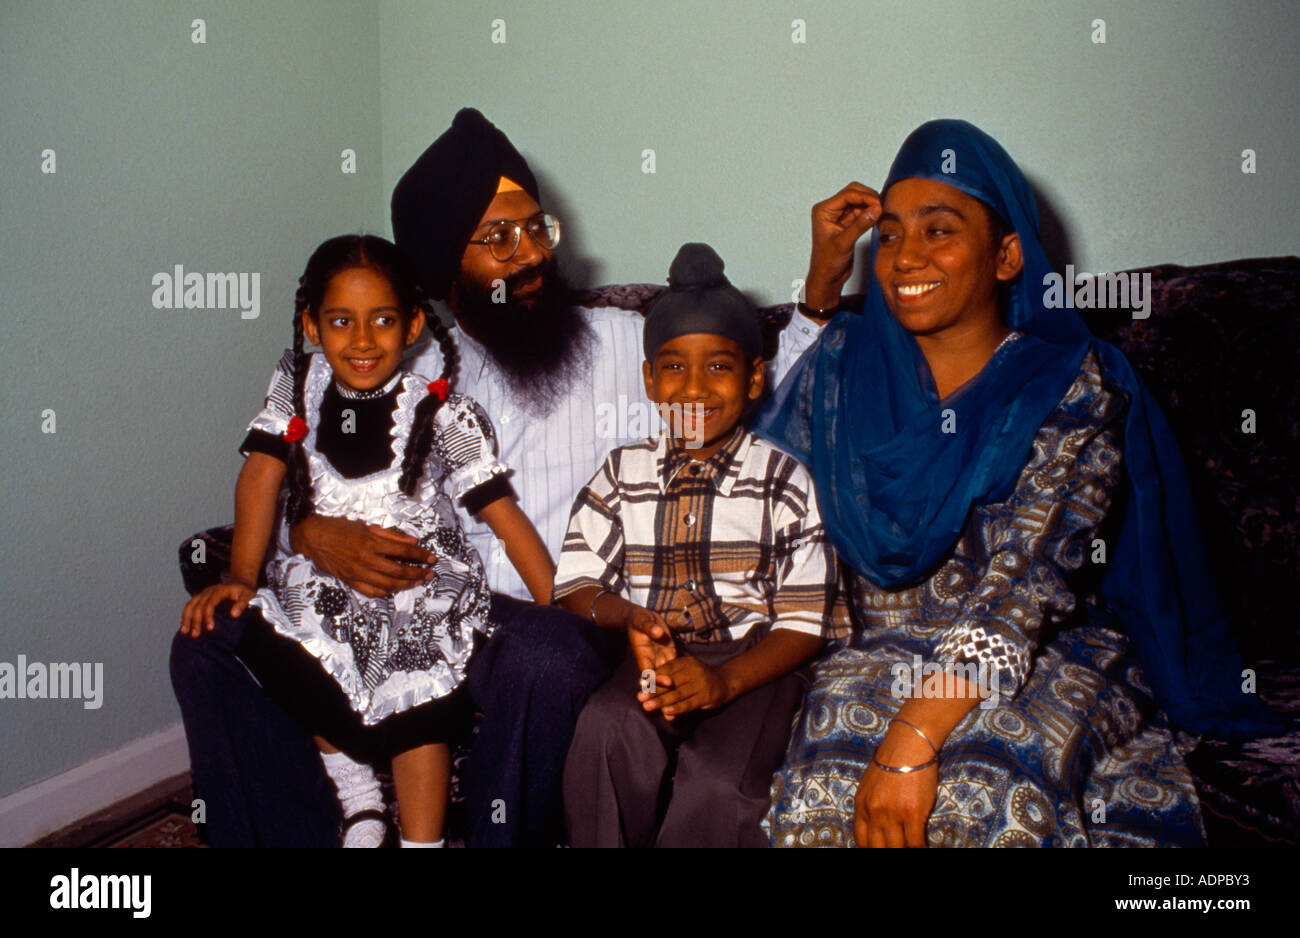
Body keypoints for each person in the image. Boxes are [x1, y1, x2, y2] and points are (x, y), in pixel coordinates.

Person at [169, 108, 828, 847]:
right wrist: (314, 534)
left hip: (553, 617)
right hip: (399, 607)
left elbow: (754, 386)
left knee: (547, 654)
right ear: (445, 266)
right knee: (208, 642)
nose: (530, 255)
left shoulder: (622, 345)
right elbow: (304, 482)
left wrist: (824, 291)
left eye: (537, 229)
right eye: (498, 240)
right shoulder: (398, 369)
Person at [757, 119, 1283, 847]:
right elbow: (758, 482)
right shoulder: (844, 368)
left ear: (1007, 255)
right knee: (826, 783)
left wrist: (913, 737)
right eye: (892, 235)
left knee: (979, 787)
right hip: (872, 653)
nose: (908, 255)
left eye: (940, 231)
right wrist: (819, 290)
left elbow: (1028, 580)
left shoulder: (1069, 380)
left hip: (1043, 651)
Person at [179, 234, 554, 847]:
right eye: (340, 321)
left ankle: (422, 842)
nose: (361, 340)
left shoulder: (440, 413)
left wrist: (558, 607)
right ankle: (360, 802)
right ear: (310, 324)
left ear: (411, 327)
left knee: (415, 704)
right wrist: (242, 580)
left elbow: (503, 519)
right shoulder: (296, 384)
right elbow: (261, 476)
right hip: (325, 579)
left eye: (382, 320)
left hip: (416, 588)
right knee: (290, 640)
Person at [554, 243, 849, 847]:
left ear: (754, 378)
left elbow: (803, 624)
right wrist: (630, 616)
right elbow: (576, 586)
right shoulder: (622, 473)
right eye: (673, 367)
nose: (694, 388)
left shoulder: (784, 482)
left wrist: (726, 683)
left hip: (754, 665)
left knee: (720, 785)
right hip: (657, 659)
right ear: (649, 380)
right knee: (605, 730)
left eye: (718, 366)